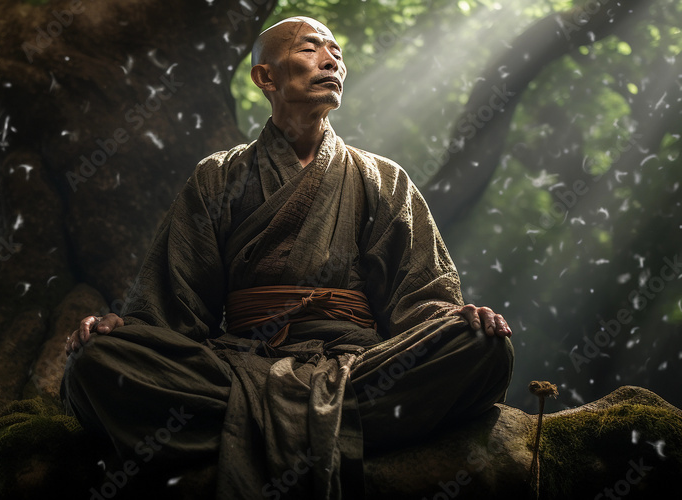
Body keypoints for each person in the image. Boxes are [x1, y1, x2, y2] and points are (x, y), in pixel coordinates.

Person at [61, 16, 514, 499]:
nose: (332, 61)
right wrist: (124, 331)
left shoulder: (381, 177)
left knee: (481, 348)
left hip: (355, 365)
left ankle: (241, 426)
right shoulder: (218, 176)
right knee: (98, 361)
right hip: (235, 365)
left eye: (337, 53)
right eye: (311, 49)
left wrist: (455, 319)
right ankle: (337, 426)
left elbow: (420, 292)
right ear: (266, 76)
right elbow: (174, 302)